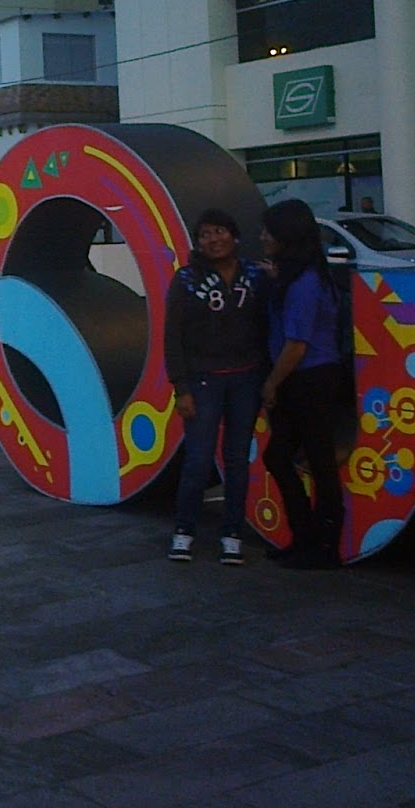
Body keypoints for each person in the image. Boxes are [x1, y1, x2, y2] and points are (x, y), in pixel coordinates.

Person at [163, 209, 269, 565]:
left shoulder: (255, 274)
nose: (214, 239)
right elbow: (172, 336)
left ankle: (232, 533)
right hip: (203, 380)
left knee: (238, 460)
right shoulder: (186, 278)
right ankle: (184, 531)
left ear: (234, 236)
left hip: (247, 378)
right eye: (205, 234)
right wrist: (182, 387)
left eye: (220, 231)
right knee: (198, 458)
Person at [259, 197, 346, 570]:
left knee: (317, 461)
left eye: (268, 231)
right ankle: (305, 537)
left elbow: (297, 345)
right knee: (283, 456)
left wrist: (271, 384)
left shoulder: (306, 283)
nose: (262, 237)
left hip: (310, 378)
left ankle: (324, 545)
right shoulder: (301, 276)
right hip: (306, 378)